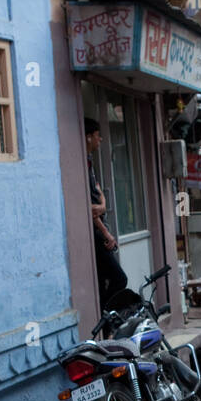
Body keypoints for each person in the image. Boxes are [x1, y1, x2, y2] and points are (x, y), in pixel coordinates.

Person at [85, 118, 128, 310]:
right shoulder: (81, 163)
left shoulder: (89, 162)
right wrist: (106, 233)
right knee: (119, 278)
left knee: (103, 282)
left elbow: (98, 190)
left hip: (100, 227)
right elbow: (89, 209)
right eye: (96, 136)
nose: (100, 139)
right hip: (96, 233)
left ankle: (106, 324)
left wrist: (102, 205)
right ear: (88, 137)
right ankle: (107, 317)